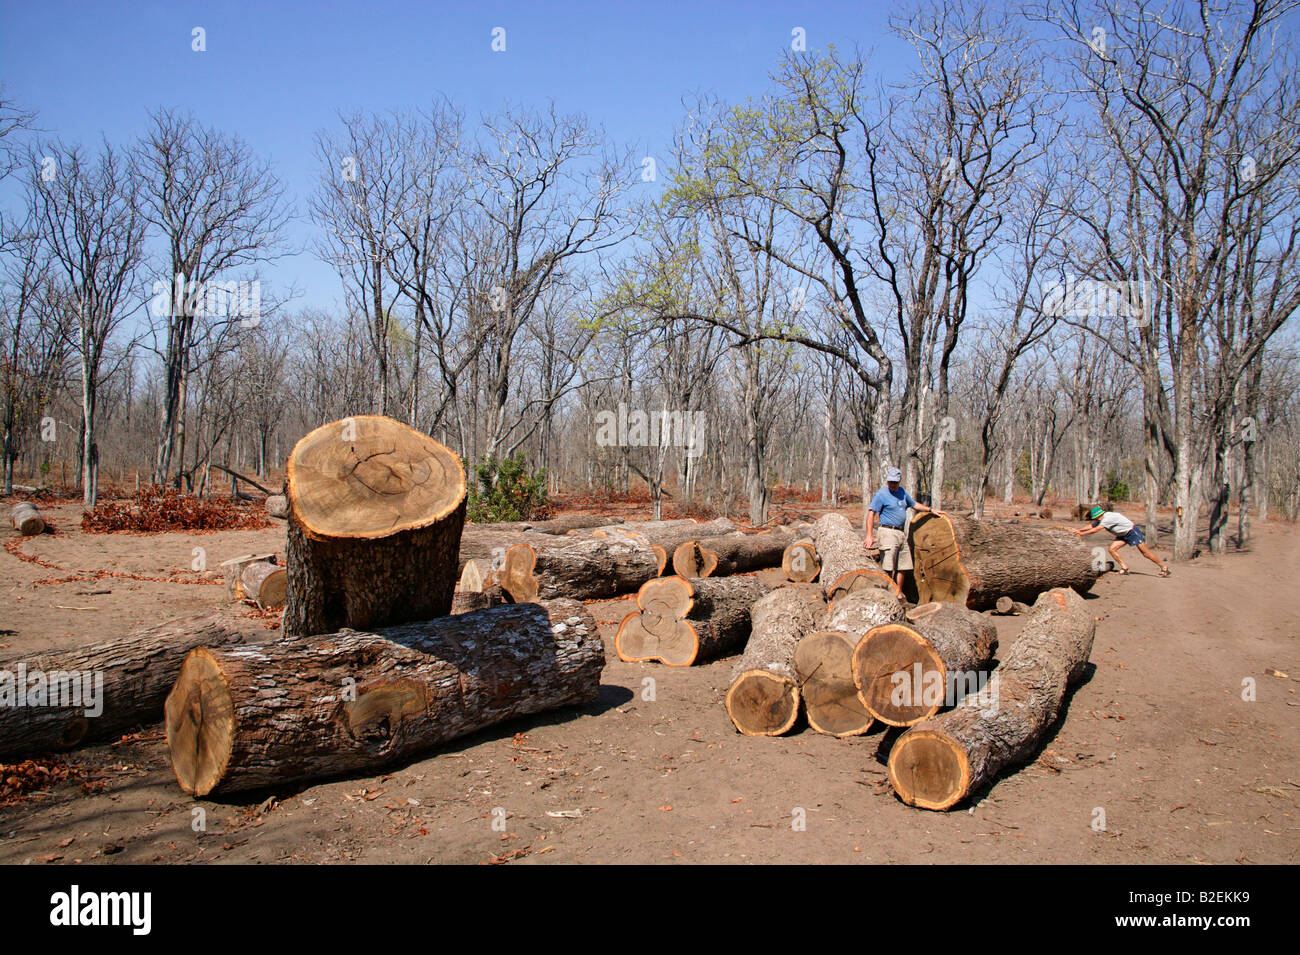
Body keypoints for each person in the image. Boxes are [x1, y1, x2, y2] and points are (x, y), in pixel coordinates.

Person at [864, 467, 942, 589]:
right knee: (888, 566)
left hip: (901, 533)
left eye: (895, 482)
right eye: (891, 482)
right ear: (887, 481)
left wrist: (930, 510)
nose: (893, 485)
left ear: (899, 481)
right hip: (887, 532)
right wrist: (869, 535)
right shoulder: (881, 494)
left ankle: (898, 591)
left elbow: (914, 504)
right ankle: (887, 593)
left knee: (903, 566)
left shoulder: (902, 492)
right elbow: (871, 514)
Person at [1074, 505, 1170, 577]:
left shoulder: (1107, 518)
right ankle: (1124, 567)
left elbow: (1096, 529)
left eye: (1094, 518)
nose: (1094, 520)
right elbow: (1092, 526)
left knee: (1145, 553)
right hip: (1122, 535)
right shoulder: (1101, 518)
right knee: (1112, 549)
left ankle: (1164, 567)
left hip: (1132, 532)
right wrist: (1079, 530)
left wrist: (1081, 534)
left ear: (1098, 516)